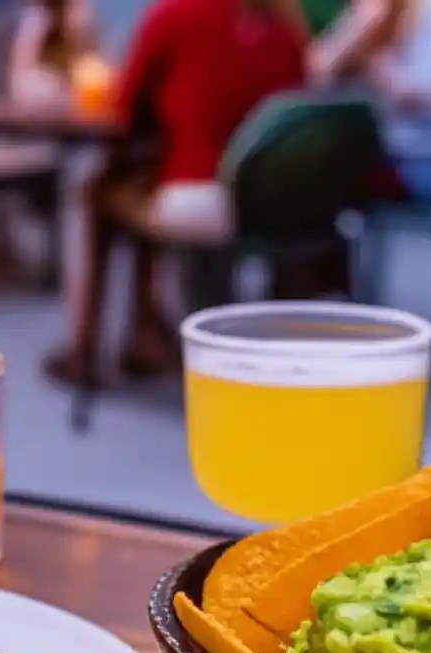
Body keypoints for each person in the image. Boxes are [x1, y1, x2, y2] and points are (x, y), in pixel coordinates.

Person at [45, 0, 307, 387]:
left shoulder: (176, 12)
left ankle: (83, 348)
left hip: (201, 196)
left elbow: (124, 104)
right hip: (273, 203)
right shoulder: (288, 26)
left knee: (95, 192)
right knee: (136, 187)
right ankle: (146, 331)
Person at [311, 0, 431, 201]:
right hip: (375, 152)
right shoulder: (379, 9)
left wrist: (370, 61)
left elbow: (426, 101)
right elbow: (320, 75)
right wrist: (357, 33)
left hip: (425, 159)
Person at [8, 0, 101, 108]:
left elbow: (95, 76)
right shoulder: (37, 22)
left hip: (77, 115)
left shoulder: (87, 31)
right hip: (40, 115)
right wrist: (58, 88)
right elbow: (19, 84)